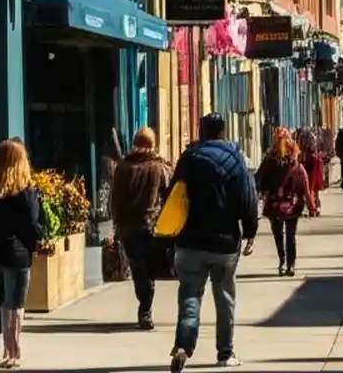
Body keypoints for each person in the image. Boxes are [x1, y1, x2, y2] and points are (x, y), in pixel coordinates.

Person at [169, 114, 259, 371]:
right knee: (225, 298)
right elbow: (248, 199)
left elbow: (173, 195)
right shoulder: (234, 159)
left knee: (189, 294)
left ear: (202, 131)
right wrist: (250, 230)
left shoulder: (189, 158)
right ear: (223, 131)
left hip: (190, 241)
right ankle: (225, 353)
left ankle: (184, 346)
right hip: (225, 243)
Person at [0, 139, 43, 369]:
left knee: (3, 301)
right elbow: (31, 226)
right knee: (17, 303)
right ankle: (14, 349)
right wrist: (39, 240)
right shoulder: (25, 192)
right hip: (17, 254)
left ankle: (5, 348)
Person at [111, 127, 173, 330]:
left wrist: (117, 225)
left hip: (128, 227)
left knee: (139, 268)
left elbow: (114, 200)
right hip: (152, 226)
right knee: (150, 268)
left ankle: (144, 306)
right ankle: (146, 308)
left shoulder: (122, 167)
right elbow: (170, 195)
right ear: (153, 144)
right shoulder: (159, 167)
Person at [255, 129, 318, 276]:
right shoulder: (296, 165)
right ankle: (291, 264)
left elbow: (258, 179)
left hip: (274, 203)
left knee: (279, 235)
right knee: (290, 235)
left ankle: (283, 262)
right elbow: (306, 186)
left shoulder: (268, 162)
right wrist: (311, 207)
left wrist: (262, 193)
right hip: (292, 204)